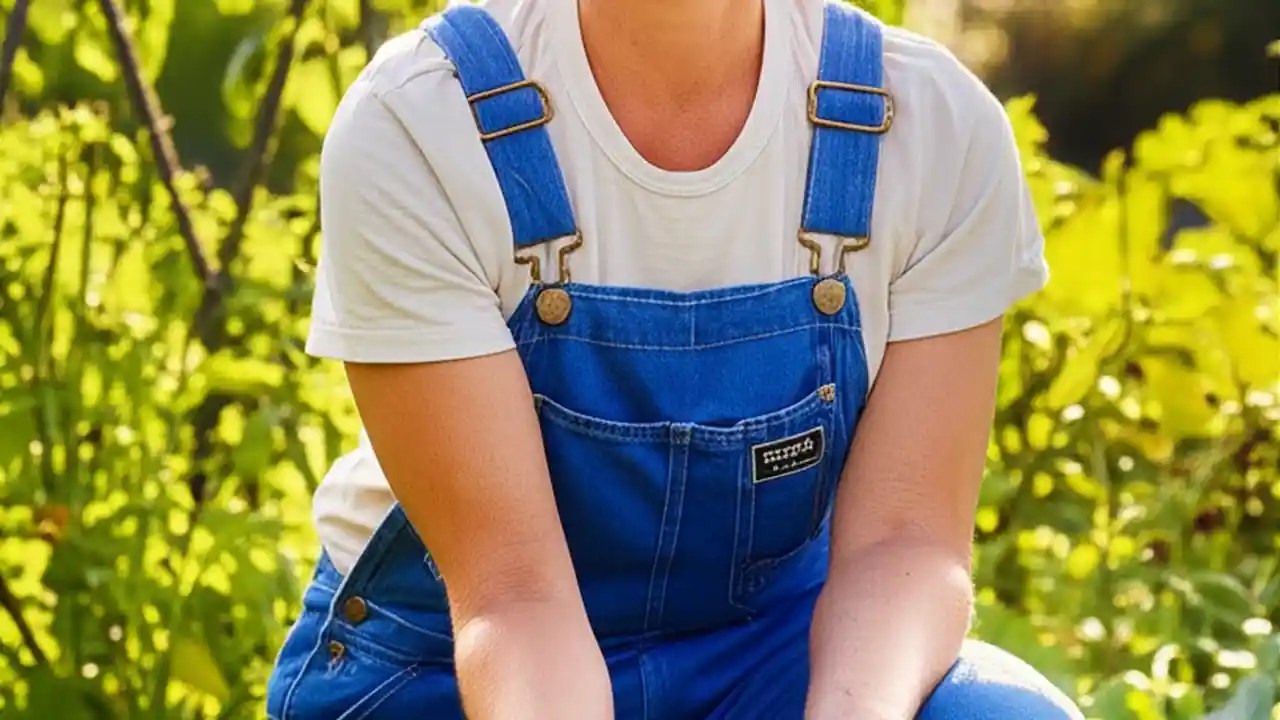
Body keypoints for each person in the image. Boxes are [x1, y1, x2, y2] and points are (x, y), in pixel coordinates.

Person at [266, 0, 1083, 717]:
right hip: (444, 668)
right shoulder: (419, 126)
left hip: (770, 659)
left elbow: (903, 546)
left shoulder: (932, 129)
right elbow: (512, 599)